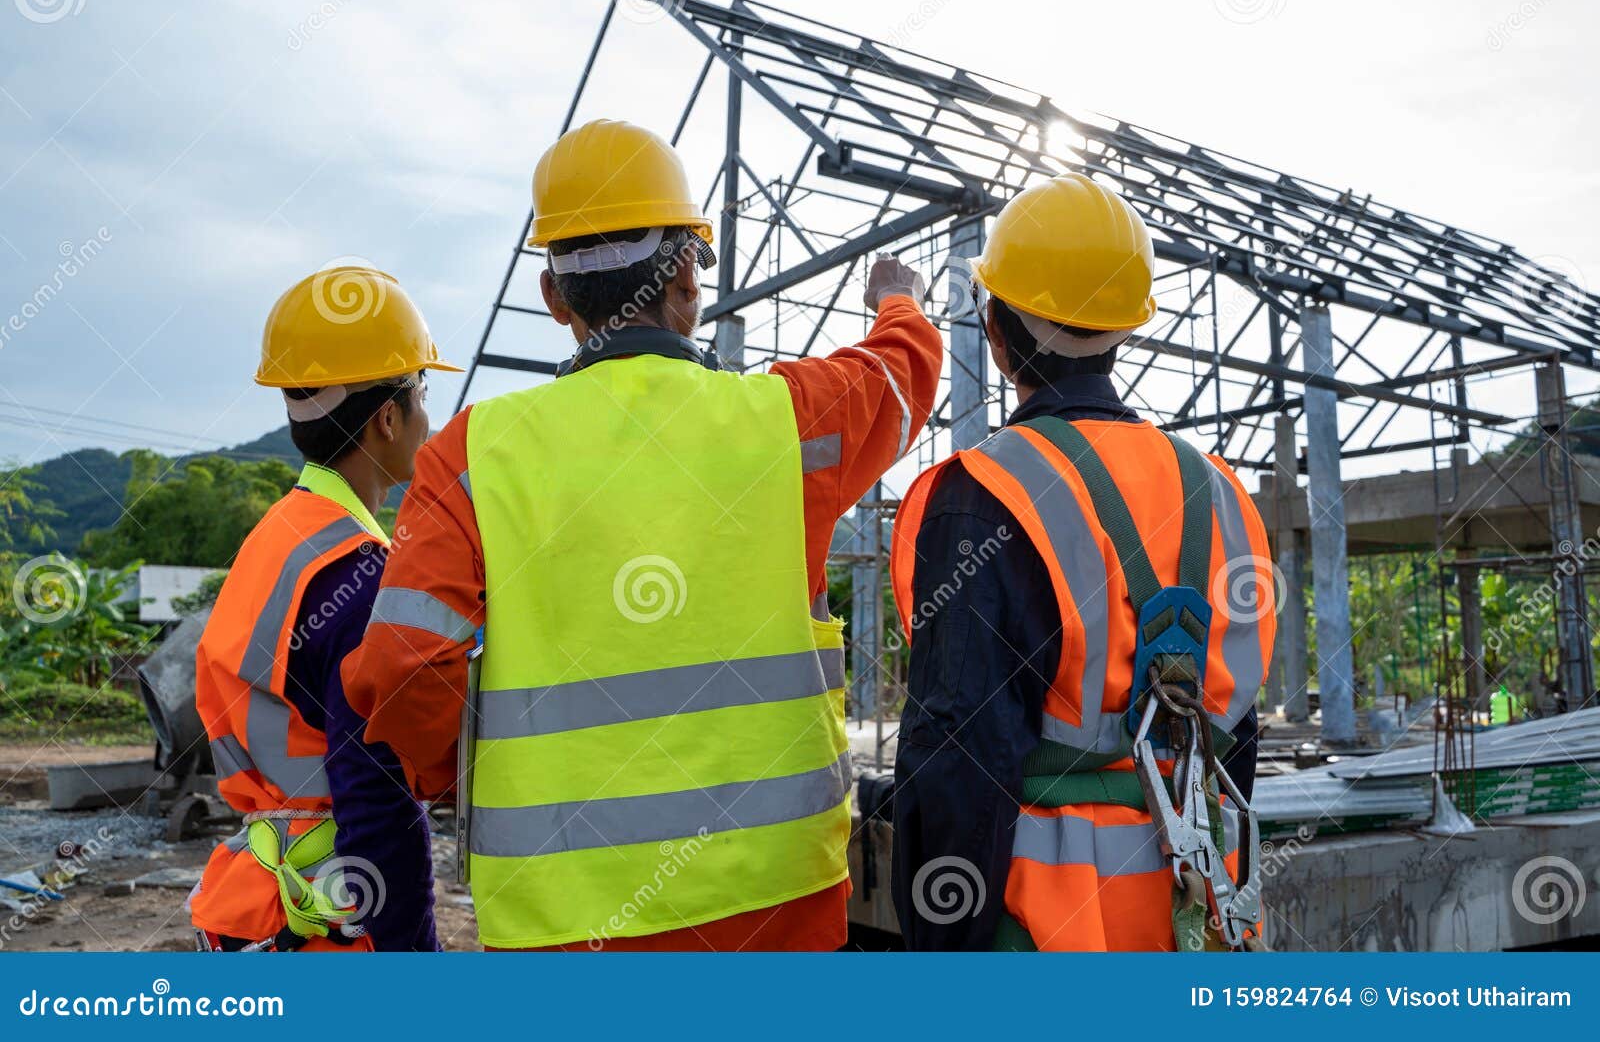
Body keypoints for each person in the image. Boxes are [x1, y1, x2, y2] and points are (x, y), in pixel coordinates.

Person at [343, 118, 943, 951]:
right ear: (687, 278)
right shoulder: (786, 422)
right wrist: (897, 299)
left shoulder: (472, 454)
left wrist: (469, 774)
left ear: (554, 298)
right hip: (774, 902)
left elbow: (405, 669)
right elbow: (902, 374)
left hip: (561, 920)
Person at [889, 174, 1276, 951]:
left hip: (1050, 935)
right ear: (1124, 330)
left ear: (996, 331)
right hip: (1198, 928)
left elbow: (959, 757)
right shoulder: (1218, 490)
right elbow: (1232, 737)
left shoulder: (983, 493)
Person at [191, 266, 457, 952]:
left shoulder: (277, 537)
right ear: (388, 418)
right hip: (332, 919)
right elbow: (377, 801)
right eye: (423, 393)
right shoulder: (360, 575)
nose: (429, 419)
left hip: (264, 898)